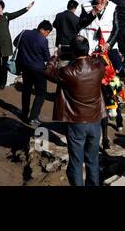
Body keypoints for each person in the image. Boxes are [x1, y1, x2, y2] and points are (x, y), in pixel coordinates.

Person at [43, 35, 106, 186]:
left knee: (76, 163)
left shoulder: (67, 72)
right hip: (96, 119)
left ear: (72, 51)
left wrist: (55, 57)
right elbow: (99, 59)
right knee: (93, 160)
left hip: (76, 122)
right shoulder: (99, 67)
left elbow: (47, 72)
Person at [0, 0, 33, 90]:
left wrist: (27, 8)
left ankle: (2, 84)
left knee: (4, 65)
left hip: (6, 45)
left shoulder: (6, 16)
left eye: (0, 7)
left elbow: (17, 14)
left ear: (2, 8)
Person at [15, 20, 54, 125]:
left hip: (25, 67)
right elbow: (47, 57)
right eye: (47, 32)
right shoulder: (42, 40)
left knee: (26, 90)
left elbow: (15, 42)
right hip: (38, 70)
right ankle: (33, 117)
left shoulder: (24, 33)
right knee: (41, 94)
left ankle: (24, 113)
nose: (47, 35)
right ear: (42, 29)